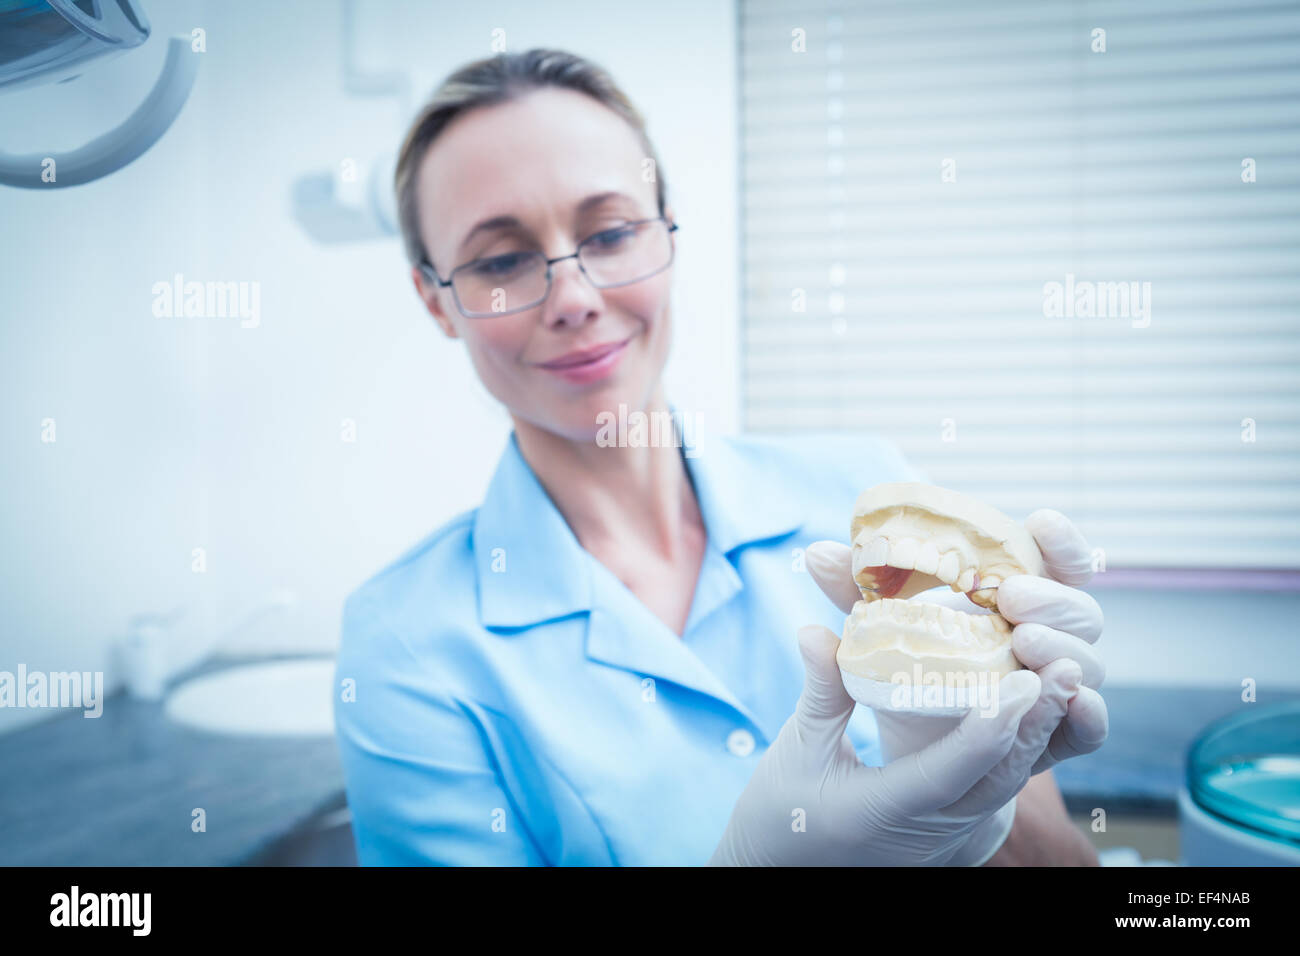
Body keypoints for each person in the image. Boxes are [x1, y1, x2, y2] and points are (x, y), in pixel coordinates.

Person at [333, 48, 1107, 866]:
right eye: (498, 260)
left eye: (610, 232)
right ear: (436, 301)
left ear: (666, 232)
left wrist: (990, 795)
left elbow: (1057, 859)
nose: (574, 299)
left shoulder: (872, 505)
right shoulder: (407, 643)